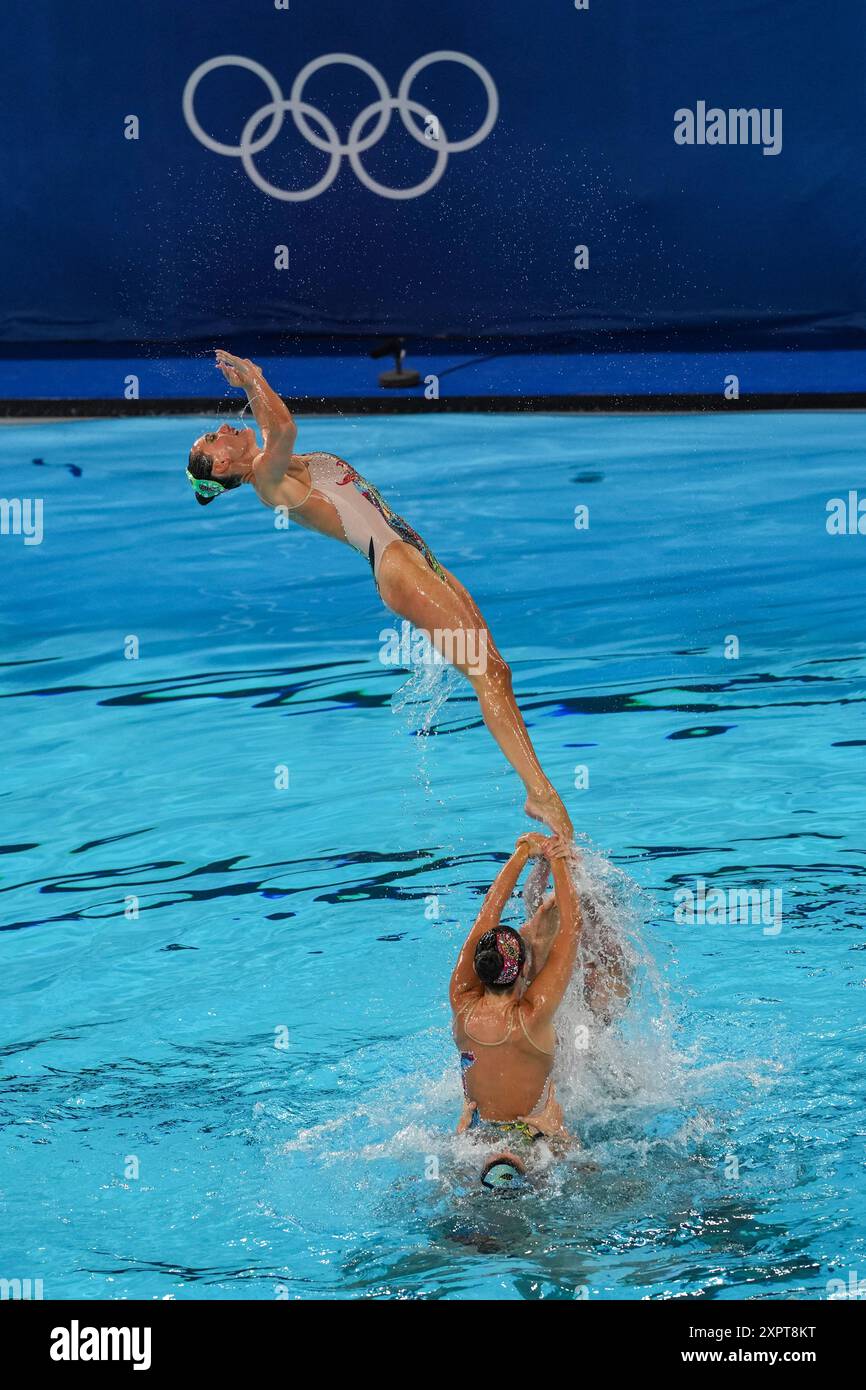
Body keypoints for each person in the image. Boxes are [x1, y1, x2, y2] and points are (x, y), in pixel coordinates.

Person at [184, 350, 572, 838]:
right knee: (486, 674)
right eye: (213, 438)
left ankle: (540, 792)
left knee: (495, 668)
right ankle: (539, 795)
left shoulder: (268, 465)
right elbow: (283, 430)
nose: (222, 429)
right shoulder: (266, 478)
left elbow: (270, 430)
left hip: (412, 554)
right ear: (220, 463)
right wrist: (256, 379)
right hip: (397, 568)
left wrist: (251, 390)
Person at [449, 831, 580, 1190]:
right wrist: (559, 859)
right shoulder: (533, 1014)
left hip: (473, 1141)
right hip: (534, 1142)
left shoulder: (461, 1000)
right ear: (524, 972)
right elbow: (573, 929)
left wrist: (522, 853)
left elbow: (486, 915)